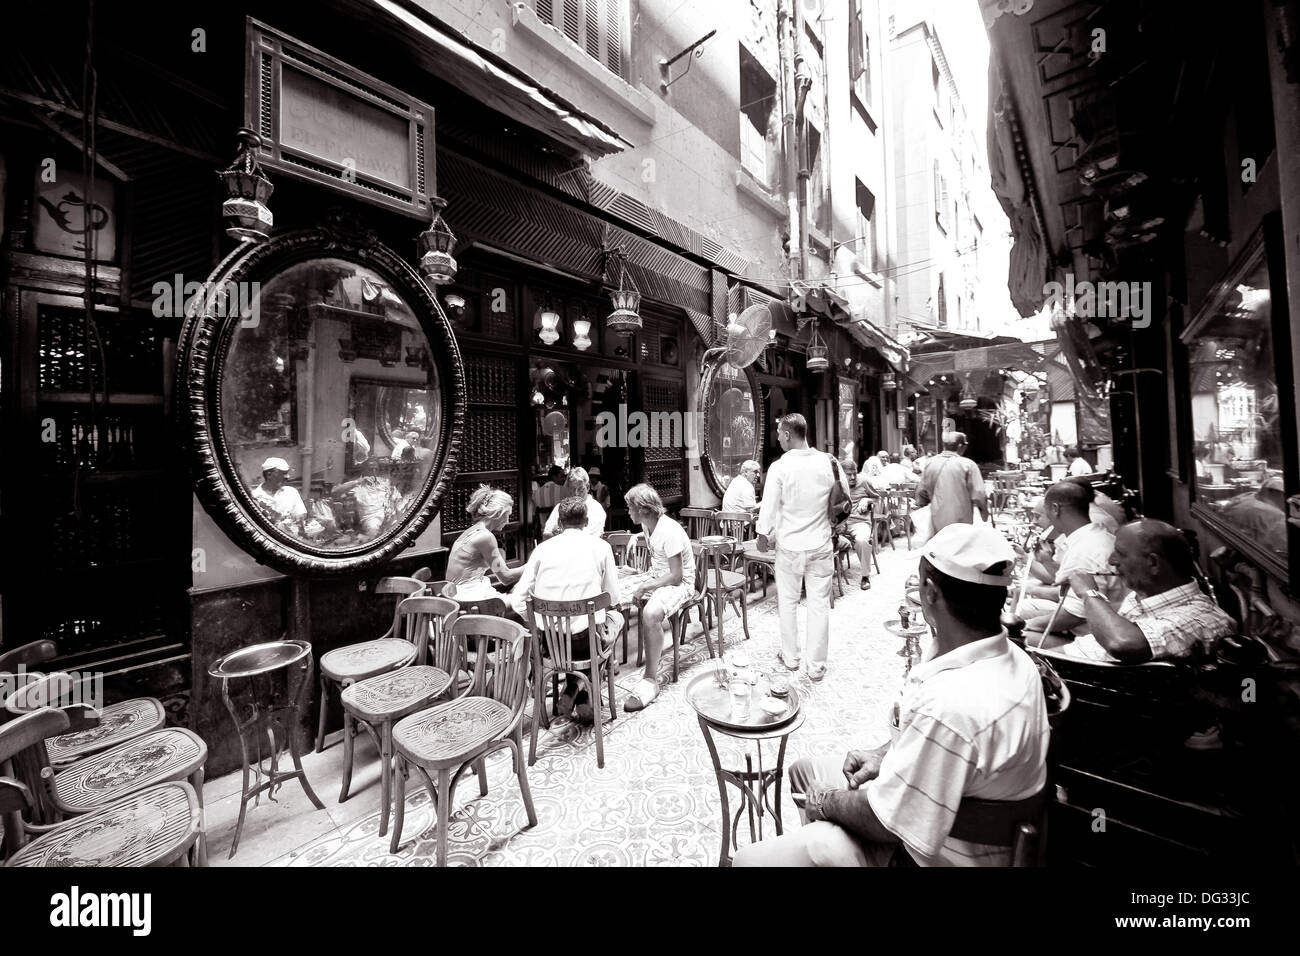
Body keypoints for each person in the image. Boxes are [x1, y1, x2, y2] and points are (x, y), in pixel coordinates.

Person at [732, 524, 1049, 867]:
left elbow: (887, 820)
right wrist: (885, 754)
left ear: (929, 592)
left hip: (929, 855)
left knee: (751, 858)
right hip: (946, 812)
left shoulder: (952, 705)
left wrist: (825, 802)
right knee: (804, 770)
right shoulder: (1016, 659)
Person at [1059, 519, 1236, 664]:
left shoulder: (1201, 618)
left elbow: (1122, 643)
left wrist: (1089, 594)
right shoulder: (1141, 595)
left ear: (1153, 563)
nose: (1112, 561)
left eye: (1120, 554)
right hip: (1071, 658)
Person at [512, 496, 624, 723]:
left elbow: (518, 600)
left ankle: (573, 691)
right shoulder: (601, 547)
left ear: (559, 523)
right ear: (586, 521)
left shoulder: (542, 550)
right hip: (586, 643)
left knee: (593, 627)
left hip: (549, 645)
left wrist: (537, 624)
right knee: (616, 618)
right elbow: (612, 596)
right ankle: (581, 694)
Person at [756, 413, 849, 680]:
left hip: (789, 546)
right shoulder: (829, 462)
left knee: (787, 601)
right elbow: (844, 496)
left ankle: (791, 657)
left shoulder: (780, 467)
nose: (778, 439)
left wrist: (763, 534)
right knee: (819, 604)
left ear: (787, 434)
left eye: (779, 434)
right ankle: (816, 666)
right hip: (820, 543)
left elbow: (769, 506)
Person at [620, 483, 696, 712]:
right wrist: (635, 537)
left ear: (643, 509)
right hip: (657, 576)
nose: (628, 511)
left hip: (680, 583)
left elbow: (675, 576)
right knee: (611, 596)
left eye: (630, 507)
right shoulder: (647, 524)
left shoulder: (669, 531)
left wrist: (645, 587)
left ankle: (650, 679)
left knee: (651, 613)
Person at [1016, 481, 1125, 633]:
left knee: (1015, 633)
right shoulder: (1092, 537)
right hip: (1093, 622)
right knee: (1022, 610)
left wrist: (1025, 627)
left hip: (1093, 635)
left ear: (1055, 509)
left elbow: (1075, 615)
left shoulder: (1085, 549)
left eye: (1045, 512)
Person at [445, 485, 525, 602]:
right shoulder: (485, 537)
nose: (508, 521)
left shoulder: (471, 531)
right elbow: (506, 578)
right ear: (498, 513)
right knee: (524, 602)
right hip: (468, 598)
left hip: (457, 595)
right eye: (507, 515)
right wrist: (535, 564)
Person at [915, 432, 988, 533]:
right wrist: (984, 513)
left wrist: (924, 506)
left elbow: (921, 493)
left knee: (940, 546)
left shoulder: (930, 463)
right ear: (960, 446)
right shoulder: (968, 464)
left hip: (937, 520)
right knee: (959, 547)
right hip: (961, 521)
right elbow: (979, 493)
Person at [334, 458, 404, 538]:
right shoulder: (357, 486)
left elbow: (398, 500)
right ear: (364, 470)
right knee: (374, 531)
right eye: (371, 469)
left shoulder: (384, 482)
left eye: (376, 469)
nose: (374, 472)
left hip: (389, 515)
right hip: (371, 518)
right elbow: (335, 492)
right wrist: (357, 482)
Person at [1221, 477, 1288, 556]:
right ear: (1275, 494)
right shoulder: (1276, 516)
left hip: (1231, 546)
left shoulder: (1244, 498)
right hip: (1258, 556)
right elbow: (1283, 546)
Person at [838, 458, 874, 590]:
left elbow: (877, 498)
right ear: (842, 474)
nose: (853, 477)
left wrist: (867, 500)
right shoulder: (837, 484)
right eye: (849, 474)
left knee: (862, 540)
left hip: (860, 523)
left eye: (854, 473)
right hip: (840, 524)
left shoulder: (863, 481)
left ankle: (865, 576)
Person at [541, 467, 606, 538]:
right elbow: (546, 534)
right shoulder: (560, 506)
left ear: (587, 487)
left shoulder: (596, 508)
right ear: (568, 488)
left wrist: (560, 534)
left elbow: (584, 537)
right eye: (572, 489)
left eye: (580, 489)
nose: (576, 493)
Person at [253, 458, 307, 528]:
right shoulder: (254, 496)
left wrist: (299, 518)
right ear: (269, 475)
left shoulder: (291, 492)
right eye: (283, 473)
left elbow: (301, 513)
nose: (288, 477)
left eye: (287, 473)